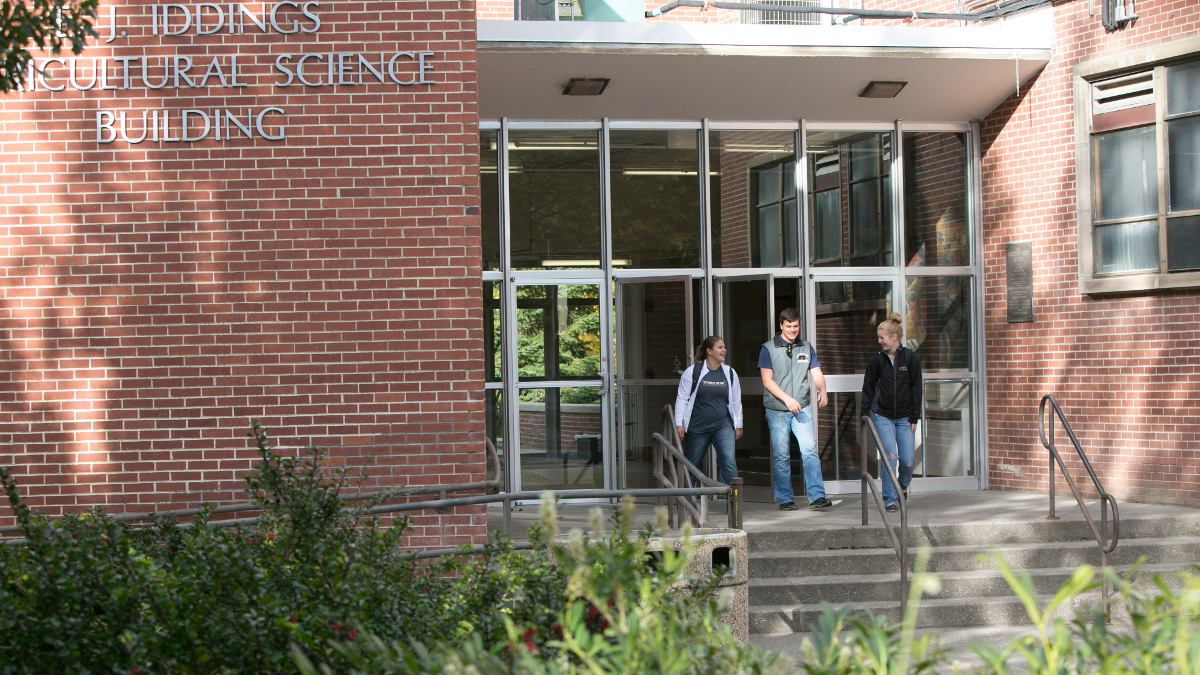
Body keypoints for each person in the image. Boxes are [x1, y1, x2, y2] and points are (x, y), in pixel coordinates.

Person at [759, 308, 831, 511]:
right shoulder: (768, 348)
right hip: (777, 410)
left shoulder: (806, 347)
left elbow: (816, 371)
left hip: (802, 408)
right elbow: (766, 380)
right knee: (781, 455)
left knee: (809, 450)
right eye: (789, 326)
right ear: (781, 325)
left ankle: (817, 497)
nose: (793, 330)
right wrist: (787, 399)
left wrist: (823, 391)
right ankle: (785, 499)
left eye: (796, 326)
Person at [861, 312, 922, 513]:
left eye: (882, 338)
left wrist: (915, 416)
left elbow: (916, 388)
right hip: (882, 415)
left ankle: (902, 486)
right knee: (890, 456)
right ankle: (889, 498)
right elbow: (868, 387)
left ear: (894, 338)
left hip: (905, 416)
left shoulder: (910, 358)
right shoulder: (877, 360)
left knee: (907, 461)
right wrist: (865, 414)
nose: (879, 341)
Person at [673, 336, 743, 484]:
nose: (724, 350)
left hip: (723, 425)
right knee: (692, 464)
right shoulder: (692, 372)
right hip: (697, 427)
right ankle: (687, 501)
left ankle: (733, 503)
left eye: (724, 347)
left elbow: (736, 401)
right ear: (709, 351)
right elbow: (682, 398)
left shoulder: (730, 373)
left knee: (729, 463)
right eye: (720, 347)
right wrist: (679, 423)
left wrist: (738, 424)